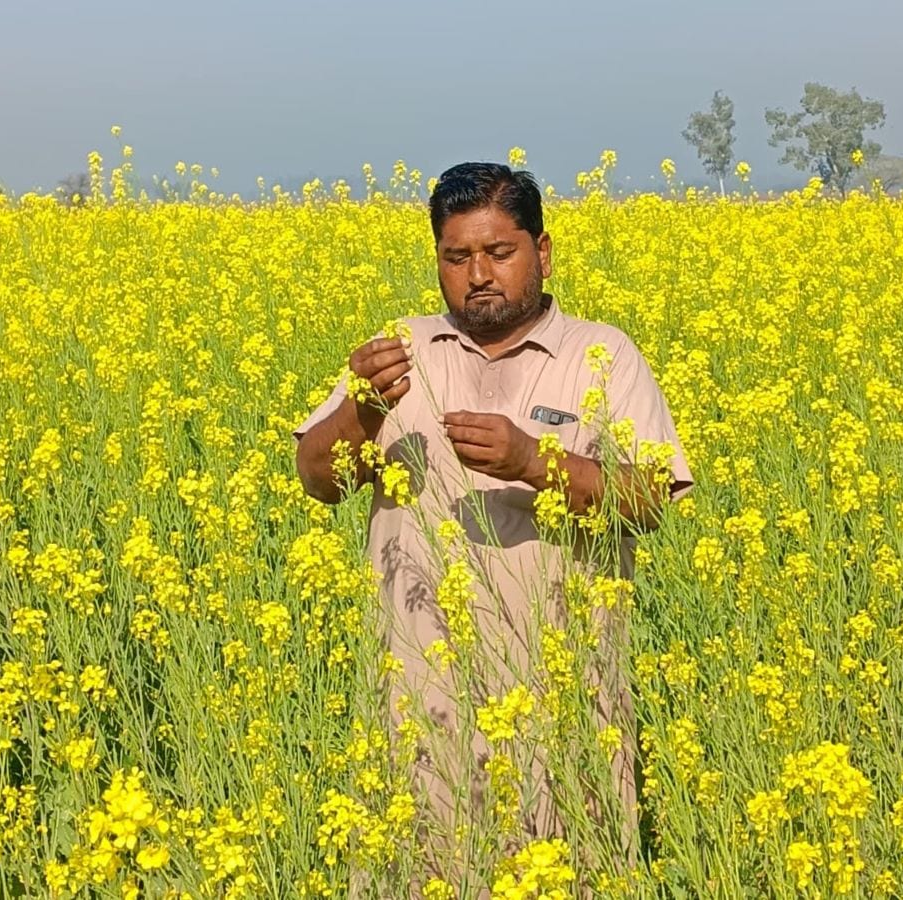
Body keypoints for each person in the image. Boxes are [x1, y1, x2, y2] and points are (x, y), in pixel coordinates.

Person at [293, 161, 691, 885]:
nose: (478, 273)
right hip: (421, 710)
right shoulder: (398, 350)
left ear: (541, 252)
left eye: (499, 254)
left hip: (564, 705)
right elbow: (321, 481)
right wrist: (364, 405)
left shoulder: (603, 355)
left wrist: (535, 462)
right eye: (456, 257)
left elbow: (650, 500)